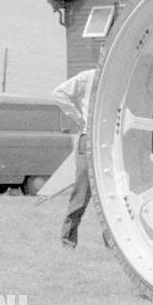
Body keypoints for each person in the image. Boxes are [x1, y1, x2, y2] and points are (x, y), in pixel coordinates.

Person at [51, 66, 98, 249]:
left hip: (109, 138)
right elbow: (59, 93)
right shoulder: (88, 77)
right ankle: (68, 240)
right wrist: (79, 118)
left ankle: (113, 244)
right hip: (89, 137)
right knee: (82, 190)